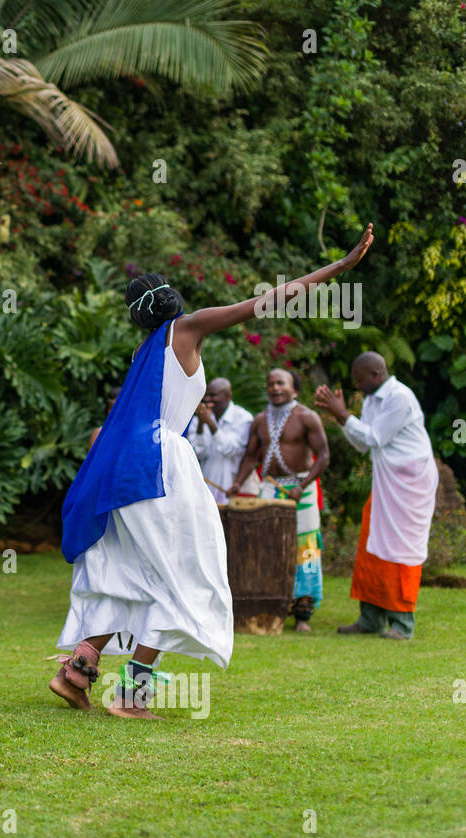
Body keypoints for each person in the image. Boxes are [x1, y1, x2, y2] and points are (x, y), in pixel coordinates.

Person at [50, 224, 374, 718]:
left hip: (127, 467)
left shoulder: (145, 351)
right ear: (170, 300)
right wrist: (340, 268)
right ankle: (131, 696)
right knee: (182, 572)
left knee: (127, 568)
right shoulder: (187, 328)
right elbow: (264, 303)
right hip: (161, 465)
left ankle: (77, 672)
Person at [315, 353, 438, 640]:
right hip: (387, 481)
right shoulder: (372, 399)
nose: (357, 385)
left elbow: (374, 438)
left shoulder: (399, 398)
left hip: (410, 482)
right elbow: (362, 444)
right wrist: (341, 416)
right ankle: (370, 619)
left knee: (401, 547)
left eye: (360, 379)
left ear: (376, 373)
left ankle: (402, 624)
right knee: (372, 542)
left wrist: (343, 414)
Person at [229, 368, 330, 631]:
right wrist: (238, 482)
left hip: (302, 490)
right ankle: (273, 609)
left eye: (280, 383)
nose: (274, 388)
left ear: (294, 388)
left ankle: (302, 615)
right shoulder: (260, 421)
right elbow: (251, 457)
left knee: (305, 547)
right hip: (270, 488)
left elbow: (324, 456)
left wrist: (303, 485)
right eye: (270, 383)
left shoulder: (307, 417)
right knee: (269, 547)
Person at [188, 377, 259, 503]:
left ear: (228, 396)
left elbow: (231, 449)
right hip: (207, 487)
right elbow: (197, 452)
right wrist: (201, 423)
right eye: (206, 395)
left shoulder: (243, 418)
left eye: (213, 395)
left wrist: (210, 423)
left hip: (236, 489)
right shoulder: (198, 418)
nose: (207, 399)